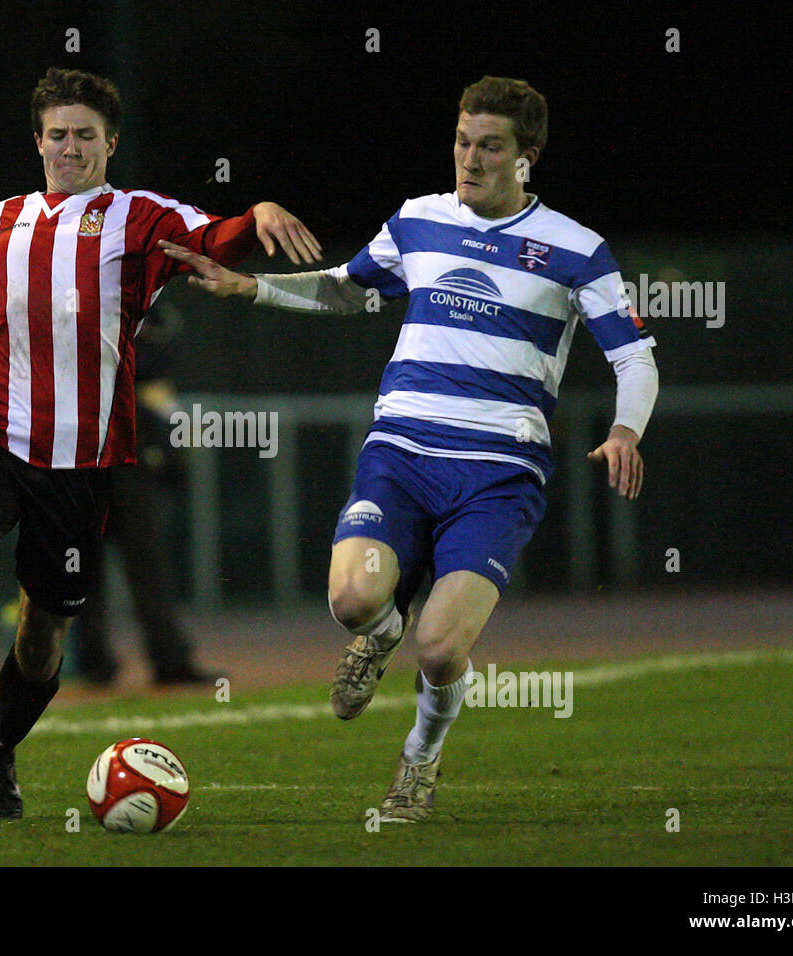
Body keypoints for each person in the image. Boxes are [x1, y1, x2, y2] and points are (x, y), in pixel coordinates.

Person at [160, 76, 659, 822]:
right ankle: (377, 634)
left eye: (491, 146)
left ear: (529, 157)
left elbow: (635, 356)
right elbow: (346, 289)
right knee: (354, 599)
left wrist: (625, 431)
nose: (470, 158)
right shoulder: (418, 220)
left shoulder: (575, 249)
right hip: (400, 452)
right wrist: (251, 289)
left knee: (438, 649)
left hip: (497, 474)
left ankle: (418, 764)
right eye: (462, 141)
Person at [0, 67, 321, 821]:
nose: (71, 148)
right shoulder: (1, 220)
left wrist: (254, 214)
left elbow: (213, 239)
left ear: (111, 143)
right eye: (58, 135)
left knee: (41, 641)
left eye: (86, 136)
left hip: (81, 461)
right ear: (38, 140)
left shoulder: (139, 217)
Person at [73, 302, 218, 686]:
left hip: (133, 452)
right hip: (84, 450)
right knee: (82, 563)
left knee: (147, 559)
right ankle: (91, 660)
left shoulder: (159, 313)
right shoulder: (86, 300)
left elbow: (155, 378)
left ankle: (166, 657)